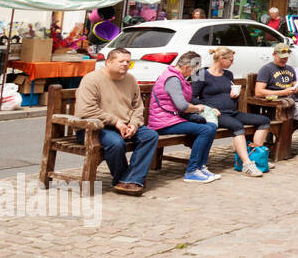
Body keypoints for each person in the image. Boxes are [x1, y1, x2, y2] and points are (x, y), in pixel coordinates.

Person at [74, 48, 158, 195]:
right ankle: (123, 180)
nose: (125, 64)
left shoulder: (131, 80)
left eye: (128, 62)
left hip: (123, 125)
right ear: (108, 62)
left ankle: (131, 180)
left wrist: (134, 124)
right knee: (116, 143)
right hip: (94, 128)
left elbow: (138, 107)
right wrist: (116, 121)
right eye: (121, 61)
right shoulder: (91, 79)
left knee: (150, 136)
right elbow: (86, 110)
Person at [191, 46, 272, 177]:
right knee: (237, 126)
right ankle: (246, 164)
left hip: (232, 112)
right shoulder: (200, 74)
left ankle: (255, 157)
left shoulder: (228, 74)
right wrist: (208, 108)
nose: (232, 63)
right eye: (231, 60)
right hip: (215, 114)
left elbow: (230, 90)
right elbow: (192, 97)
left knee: (264, 121)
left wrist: (235, 94)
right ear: (222, 59)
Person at [147, 50, 220, 184]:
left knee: (211, 126)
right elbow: (182, 106)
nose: (194, 73)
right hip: (163, 122)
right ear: (186, 67)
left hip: (172, 118)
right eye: (194, 70)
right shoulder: (172, 79)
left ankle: (200, 166)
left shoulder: (177, 76)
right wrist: (197, 108)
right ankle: (192, 171)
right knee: (205, 130)